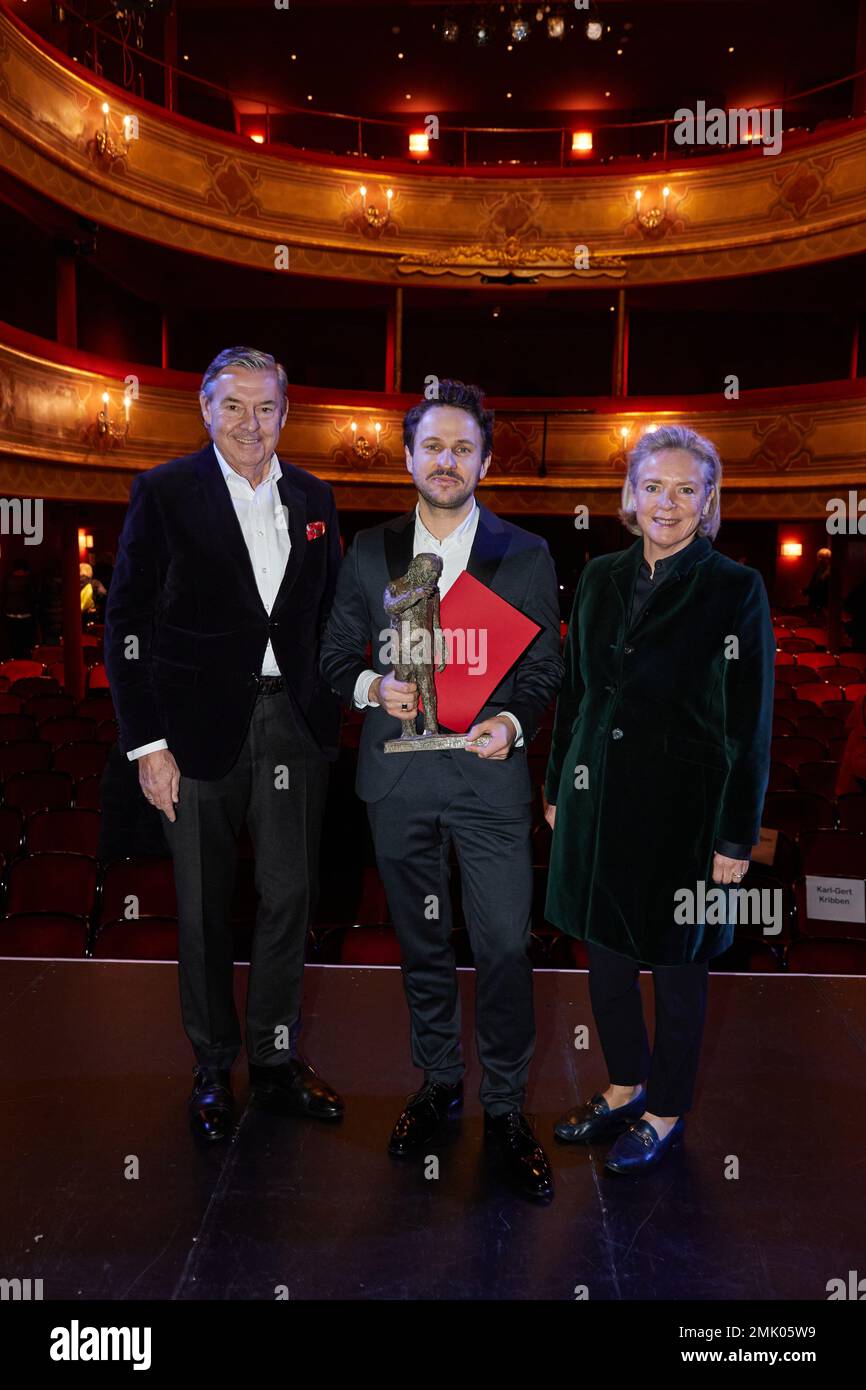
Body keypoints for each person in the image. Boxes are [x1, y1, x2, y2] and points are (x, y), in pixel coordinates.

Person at [321, 379, 564, 1202]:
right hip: (397, 777)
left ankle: (503, 1108)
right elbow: (332, 660)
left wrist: (514, 724)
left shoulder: (524, 554)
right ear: (408, 458)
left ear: (485, 460)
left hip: (487, 778)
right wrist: (368, 689)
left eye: (464, 447)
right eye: (433, 446)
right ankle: (437, 1082)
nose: (448, 460)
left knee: (500, 947)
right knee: (423, 947)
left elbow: (543, 673)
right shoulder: (369, 552)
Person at [104, 346, 343, 1143]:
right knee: (204, 909)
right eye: (233, 406)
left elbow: (326, 618)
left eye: (266, 407)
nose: (250, 423)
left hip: (293, 729)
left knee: (288, 902)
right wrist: (147, 746)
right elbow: (126, 624)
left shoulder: (315, 496)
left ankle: (273, 1063)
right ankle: (212, 1065)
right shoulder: (165, 492)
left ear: (285, 414)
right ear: (205, 411)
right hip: (196, 734)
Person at [545, 424, 774, 1176]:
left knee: (680, 977)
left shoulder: (737, 588)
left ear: (708, 502)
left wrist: (735, 838)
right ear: (628, 496)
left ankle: (665, 1109)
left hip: (688, 819)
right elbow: (575, 694)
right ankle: (621, 1085)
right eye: (653, 487)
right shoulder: (600, 577)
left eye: (685, 490)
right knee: (605, 964)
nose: (666, 503)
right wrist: (556, 790)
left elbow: (750, 723)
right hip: (598, 807)